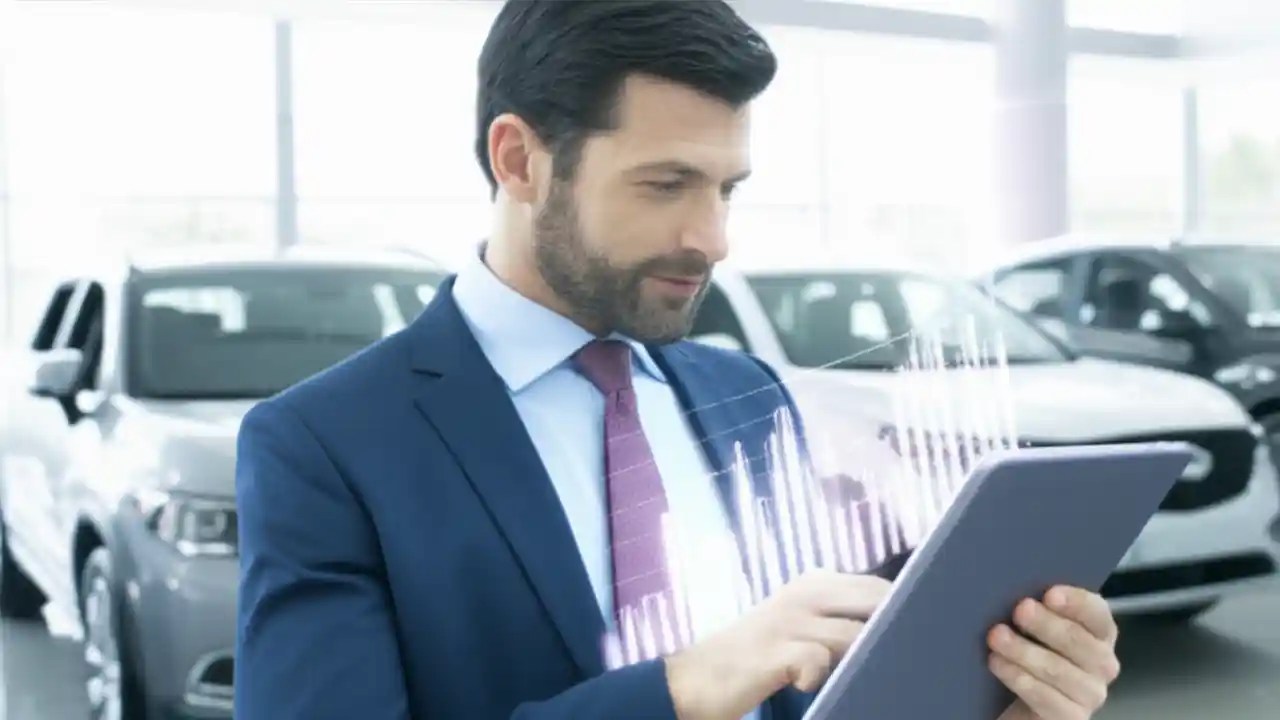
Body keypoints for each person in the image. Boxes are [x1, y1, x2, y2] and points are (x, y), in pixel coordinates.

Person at [233, 2, 1122, 719]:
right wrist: (683, 689)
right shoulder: (324, 446)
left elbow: (807, 692)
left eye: (726, 189)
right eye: (665, 185)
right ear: (520, 160)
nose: (713, 239)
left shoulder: (749, 394)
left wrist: (997, 705)